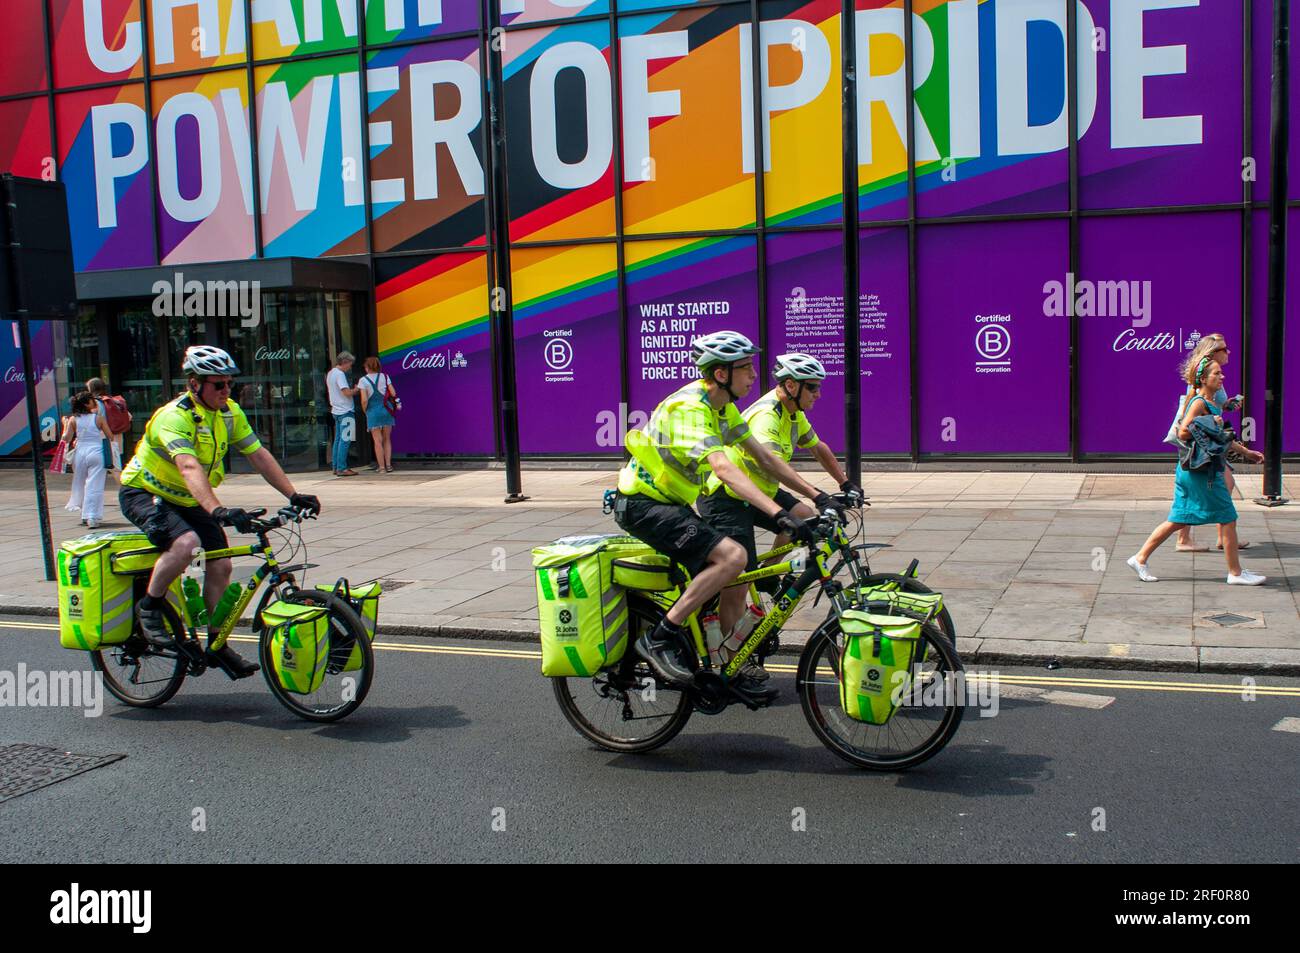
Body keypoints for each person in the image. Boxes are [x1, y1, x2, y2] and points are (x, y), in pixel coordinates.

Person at [611, 331, 842, 703]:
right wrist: (778, 513)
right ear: (721, 374)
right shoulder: (691, 409)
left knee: (728, 567)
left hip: (670, 503)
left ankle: (718, 660)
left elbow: (765, 459)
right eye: (745, 367)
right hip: (641, 505)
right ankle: (659, 638)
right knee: (733, 557)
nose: (754, 374)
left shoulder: (722, 406)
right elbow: (723, 468)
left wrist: (818, 495)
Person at [119, 345, 322, 678]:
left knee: (222, 564)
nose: (227, 391)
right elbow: (187, 466)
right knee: (185, 544)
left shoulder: (229, 412)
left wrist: (294, 494)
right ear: (194, 384)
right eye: (219, 385)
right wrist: (218, 510)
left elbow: (258, 454)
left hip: (188, 499)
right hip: (146, 492)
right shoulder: (174, 417)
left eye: (231, 384)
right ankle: (150, 606)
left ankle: (217, 644)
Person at [697, 353, 859, 677]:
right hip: (726, 497)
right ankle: (732, 663)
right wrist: (819, 493)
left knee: (805, 516)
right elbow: (774, 465)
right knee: (737, 580)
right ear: (790, 385)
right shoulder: (766, 417)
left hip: (759, 491)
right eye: (813, 388)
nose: (819, 394)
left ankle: (768, 573)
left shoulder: (792, 412)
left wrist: (846, 483)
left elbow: (818, 447)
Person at [1128, 356, 1265, 586]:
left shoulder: (1210, 403)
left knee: (1179, 519)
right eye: (1216, 374)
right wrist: (1212, 422)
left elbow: (1217, 437)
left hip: (1193, 470)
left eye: (1221, 373)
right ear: (1203, 378)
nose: (1222, 377)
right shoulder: (1199, 403)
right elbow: (1183, 432)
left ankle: (1139, 558)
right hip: (1200, 472)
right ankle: (1236, 573)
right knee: (1228, 516)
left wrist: (1247, 453)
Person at [1172, 335, 1247, 553]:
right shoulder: (1204, 380)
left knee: (1222, 485)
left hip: (1208, 441)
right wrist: (1213, 422)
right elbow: (1196, 411)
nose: (1229, 352)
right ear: (1212, 353)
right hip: (1201, 444)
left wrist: (1229, 406)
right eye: (1224, 348)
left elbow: (1217, 407)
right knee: (1203, 490)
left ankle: (1222, 536)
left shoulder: (1214, 377)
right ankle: (1201, 538)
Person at [62, 391, 114, 529]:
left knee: (80, 482)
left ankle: (84, 514)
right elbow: (110, 436)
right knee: (95, 484)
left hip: (80, 453)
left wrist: (65, 425)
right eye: (92, 400)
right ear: (86, 404)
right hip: (96, 451)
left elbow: (66, 438)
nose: (95, 402)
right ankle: (92, 516)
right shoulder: (98, 418)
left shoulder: (73, 420)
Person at [358, 356, 398, 473]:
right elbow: (393, 392)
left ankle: (381, 467)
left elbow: (364, 400)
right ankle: (389, 465)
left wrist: (366, 411)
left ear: (367, 367)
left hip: (373, 411)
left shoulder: (363, 381)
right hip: (386, 410)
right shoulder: (385, 377)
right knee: (387, 439)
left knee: (377, 441)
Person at [326, 352, 359, 477]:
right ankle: (342, 468)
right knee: (346, 440)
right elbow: (346, 392)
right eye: (350, 364)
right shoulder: (340, 375)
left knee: (338, 440)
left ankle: (336, 466)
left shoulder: (330, 373)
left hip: (336, 410)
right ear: (344, 362)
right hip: (346, 410)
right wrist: (356, 390)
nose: (350, 367)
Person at [86, 378, 122, 480]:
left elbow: (89, 420)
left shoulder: (95, 403)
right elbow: (129, 417)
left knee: (114, 468)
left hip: (103, 439)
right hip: (116, 436)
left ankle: (126, 492)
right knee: (114, 466)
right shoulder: (113, 400)